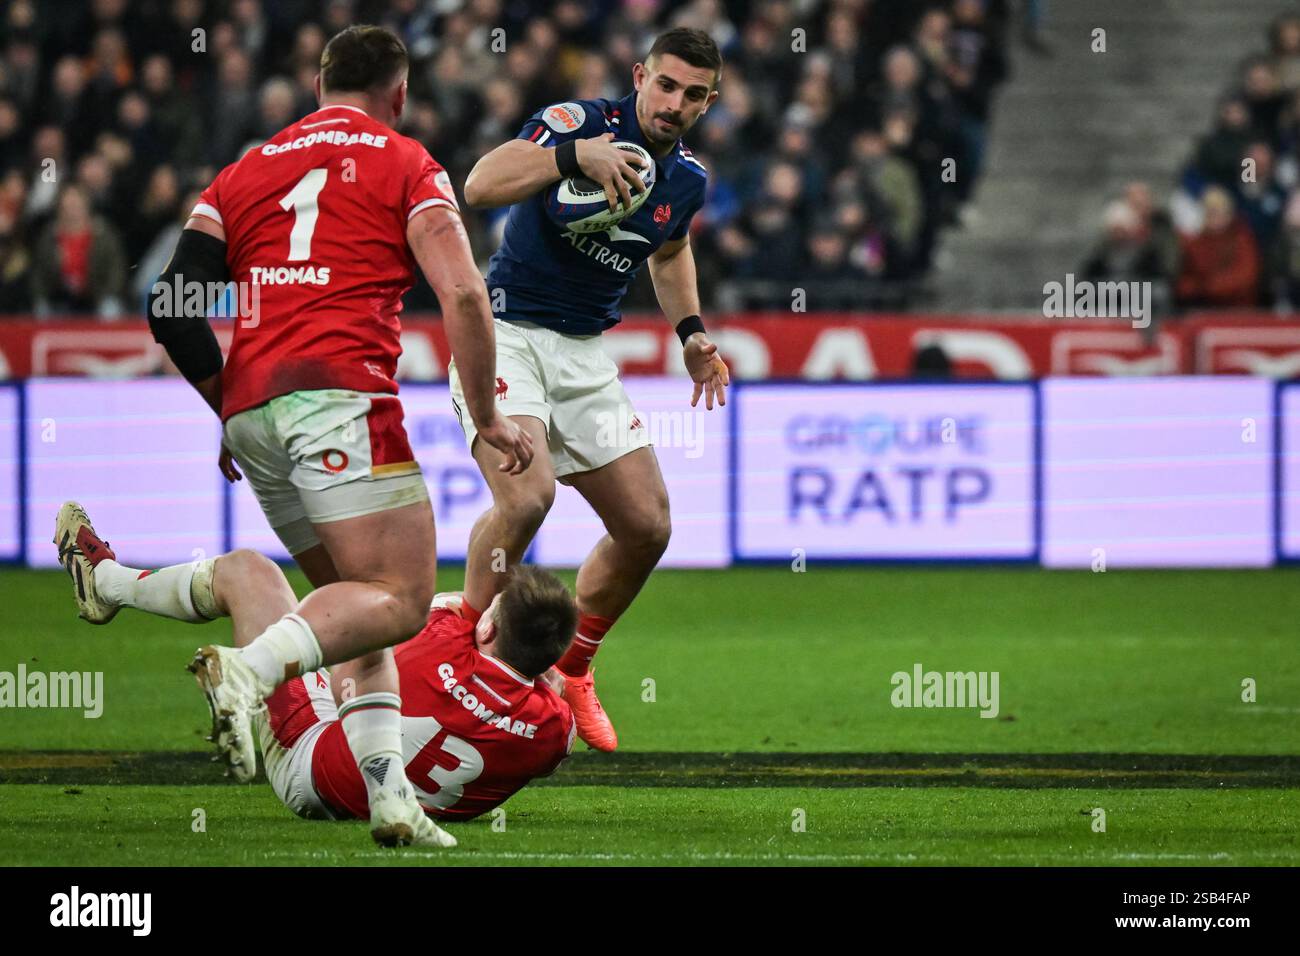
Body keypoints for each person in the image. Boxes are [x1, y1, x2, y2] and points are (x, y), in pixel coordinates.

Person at [56, 25, 534, 849]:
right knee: (406, 601)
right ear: (400, 94)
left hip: (255, 410)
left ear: (318, 87)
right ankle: (247, 671)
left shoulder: (245, 170)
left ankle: (392, 803)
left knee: (358, 613)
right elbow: (463, 295)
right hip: (339, 396)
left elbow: (170, 305)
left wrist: (226, 405)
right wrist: (489, 415)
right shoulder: (406, 160)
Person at [456, 27, 730, 752]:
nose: (675, 104)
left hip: (582, 353)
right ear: (639, 75)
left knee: (647, 525)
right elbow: (479, 186)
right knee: (527, 495)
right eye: (666, 85)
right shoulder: (578, 124)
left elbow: (669, 252)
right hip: (506, 331)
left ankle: (574, 666)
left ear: (710, 101)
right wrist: (573, 157)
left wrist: (693, 333)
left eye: (694, 94)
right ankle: (457, 662)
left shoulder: (688, 180)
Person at [55, 504, 576, 830]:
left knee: (251, 575)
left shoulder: (446, 634)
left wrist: (520, 493)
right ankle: (252, 673)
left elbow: (486, 542)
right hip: (371, 757)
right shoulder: (551, 729)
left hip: (314, 763)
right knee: (358, 640)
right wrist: (549, 680)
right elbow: (555, 728)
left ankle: (108, 585)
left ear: (487, 627)